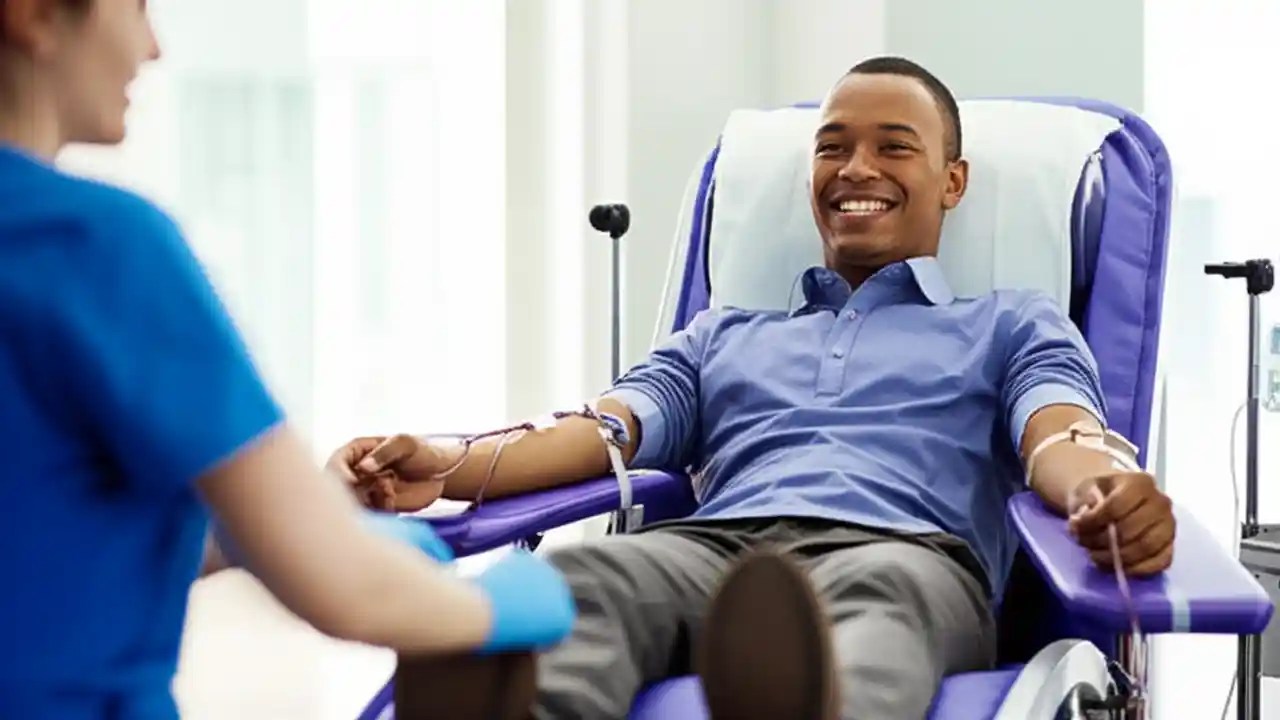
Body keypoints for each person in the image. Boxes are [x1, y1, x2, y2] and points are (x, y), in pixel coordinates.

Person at [333, 56, 1177, 720]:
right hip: (716, 556)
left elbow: (1060, 431)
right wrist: (444, 465)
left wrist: (1105, 491)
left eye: (894, 146)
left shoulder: (1009, 322)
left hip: (906, 553)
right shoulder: (725, 333)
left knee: (878, 618)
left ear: (952, 182)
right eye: (832, 146)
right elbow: (603, 429)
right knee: (595, 577)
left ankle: (808, 702)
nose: (856, 167)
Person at [0, 1, 574, 718]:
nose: (152, 49)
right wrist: (524, 602)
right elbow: (346, 590)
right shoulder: (98, 251)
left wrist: (273, 527)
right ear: (35, 14)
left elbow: (52, 545)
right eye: (138, 6)